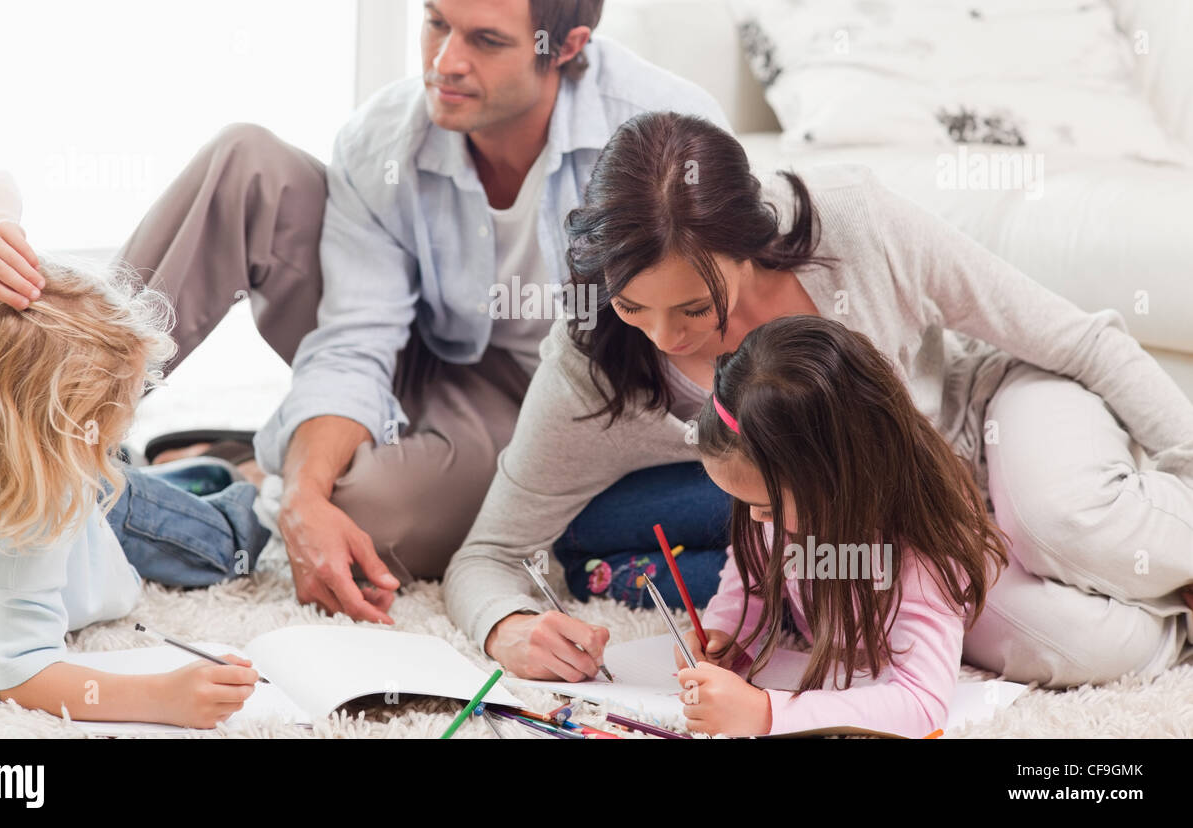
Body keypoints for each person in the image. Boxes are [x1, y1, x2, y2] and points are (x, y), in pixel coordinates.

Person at [100, 0, 733, 622]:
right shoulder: (384, 139)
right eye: (435, 24)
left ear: (565, 45)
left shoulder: (668, 140)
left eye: (486, 41)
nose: (445, 62)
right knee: (248, 161)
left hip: (557, 400)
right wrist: (301, 502)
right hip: (420, 344)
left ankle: (263, 460)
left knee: (365, 518)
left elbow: (713, 339)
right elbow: (354, 339)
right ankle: (51, 421)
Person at [444, 109, 1193, 691]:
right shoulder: (595, 365)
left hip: (998, 407)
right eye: (634, 307)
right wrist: (507, 627)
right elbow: (488, 552)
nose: (666, 339)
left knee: (1056, 522)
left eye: (694, 308)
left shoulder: (856, 226)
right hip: (925, 537)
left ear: (749, 240)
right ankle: (1175, 616)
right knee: (1073, 644)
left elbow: (1081, 340)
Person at [0, 173, 270, 728]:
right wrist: (163, 697)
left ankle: (184, 468)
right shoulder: (28, 539)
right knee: (227, 541)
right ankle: (244, 473)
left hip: (66, 479)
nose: (122, 423)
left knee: (124, 480)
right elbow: (21, 675)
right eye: (113, 419)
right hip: (103, 518)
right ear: (61, 454)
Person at [673, 315, 1009, 738]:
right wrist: (728, 636)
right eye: (745, 505)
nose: (758, 521)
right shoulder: (781, 497)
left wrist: (765, 712)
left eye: (767, 508)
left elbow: (922, 704)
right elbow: (749, 578)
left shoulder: (920, 550)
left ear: (842, 480)